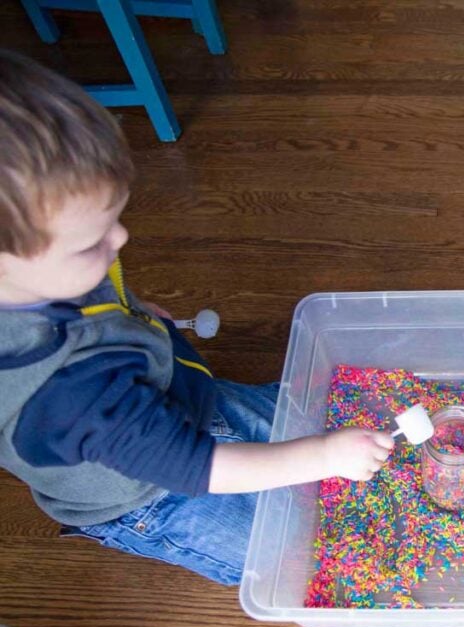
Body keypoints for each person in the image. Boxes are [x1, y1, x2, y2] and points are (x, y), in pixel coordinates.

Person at [0, 50, 393, 585]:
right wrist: (324, 457)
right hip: (152, 494)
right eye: (93, 243)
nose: (121, 240)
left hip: (177, 398)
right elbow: (196, 467)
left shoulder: (35, 275)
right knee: (300, 564)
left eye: (116, 219)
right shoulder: (65, 396)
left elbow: (93, 298)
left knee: (311, 416)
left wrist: (135, 313)